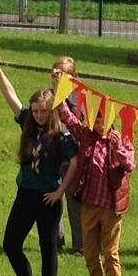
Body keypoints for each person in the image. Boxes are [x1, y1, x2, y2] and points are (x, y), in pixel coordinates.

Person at [0, 51, 75, 276]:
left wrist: (60, 192)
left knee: (48, 247)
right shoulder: (27, 122)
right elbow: (10, 96)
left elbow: (76, 162)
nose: (39, 115)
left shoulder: (60, 134)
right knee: (10, 243)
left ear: (51, 111)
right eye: (35, 110)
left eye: (44, 111)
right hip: (25, 193)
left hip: (48, 197)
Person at [55, 87, 135, 276]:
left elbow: (130, 165)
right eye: (96, 121)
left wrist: (118, 148)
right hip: (89, 205)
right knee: (90, 254)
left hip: (111, 208)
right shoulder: (86, 135)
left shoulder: (122, 138)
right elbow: (67, 117)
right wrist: (58, 87)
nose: (100, 126)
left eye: (103, 121)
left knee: (110, 253)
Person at [50, 57, 84, 255]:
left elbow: (80, 126)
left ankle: (80, 245)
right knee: (53, 199)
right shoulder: (47, 96)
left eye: (65, 74)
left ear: (74, 77)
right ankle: (55, 240)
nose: (59, 77)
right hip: (53, 156)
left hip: (74, 157)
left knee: (75, 201)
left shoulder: (80, 100)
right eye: (56, 72)